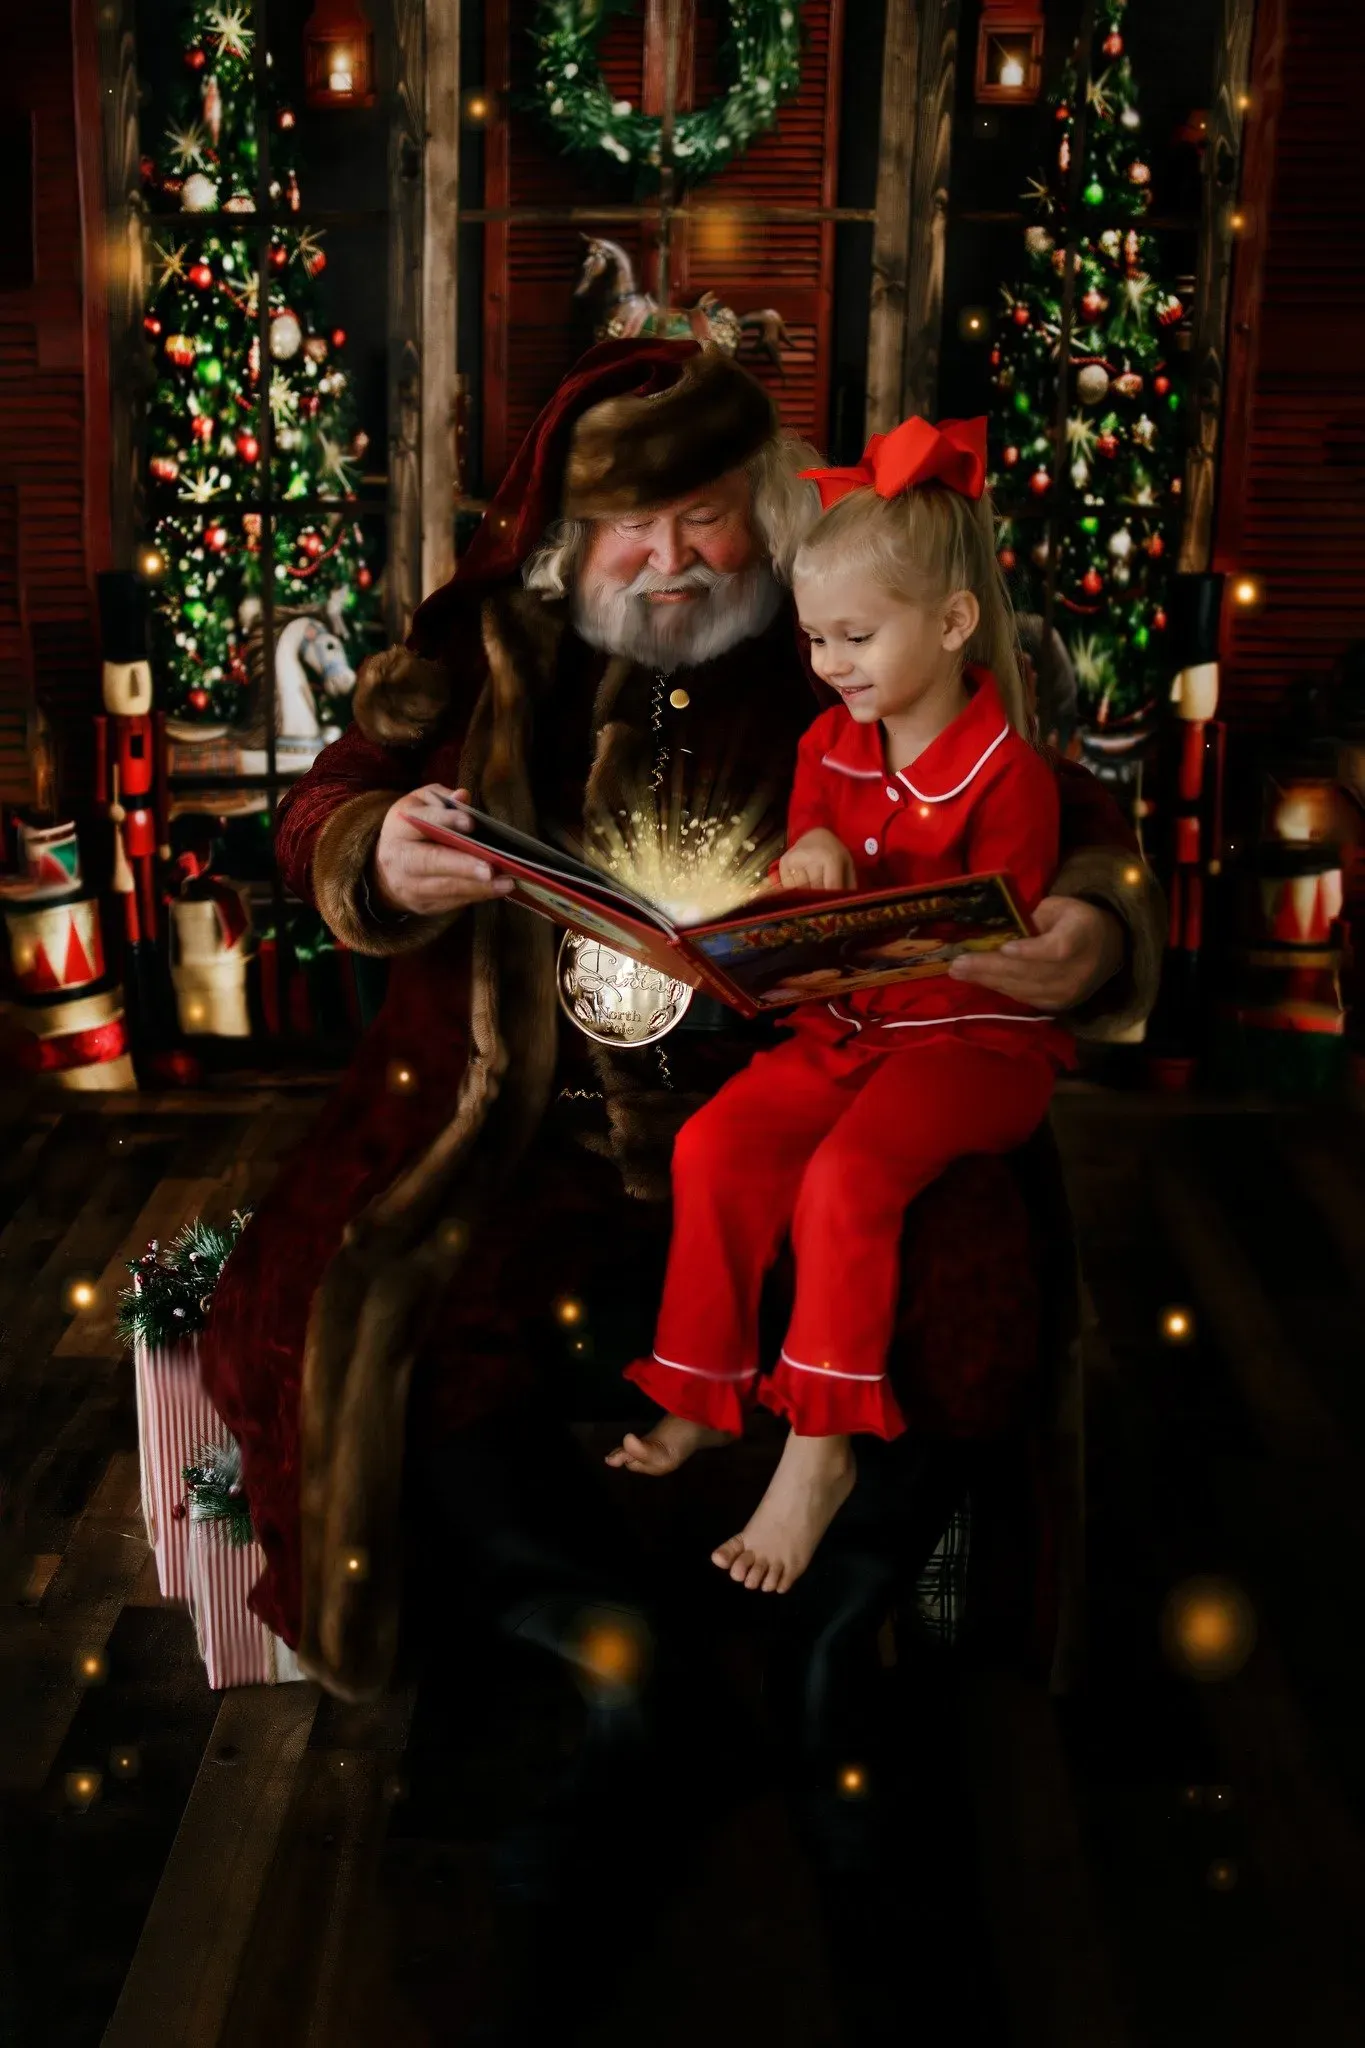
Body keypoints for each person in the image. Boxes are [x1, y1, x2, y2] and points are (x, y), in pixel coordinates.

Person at [199, 338, 1163, 1708]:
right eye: (627, 525)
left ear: (760, 508)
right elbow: (336, 786)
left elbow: (1052, 797)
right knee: (345, 1303)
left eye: (700, 512)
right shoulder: (476, 653)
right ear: (565, 534)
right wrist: (369, 843)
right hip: (517, 1116)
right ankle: (575, 1623)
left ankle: (844, 1632)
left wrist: (1092, 920)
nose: (669, 556)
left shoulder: (833, 632)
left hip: (821, 1073)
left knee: (965, 1276)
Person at [608, 414, 1071, 1595]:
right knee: (715, 1144)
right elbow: (812, 826)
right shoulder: (829, 736)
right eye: (817, 637)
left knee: (846, 1182)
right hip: (848, 1030)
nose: (832, 662)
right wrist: (808, 856)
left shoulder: (1005, 774)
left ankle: (819, 1453)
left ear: (954, 624)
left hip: (969, 1047)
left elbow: (992, 934)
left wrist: (887, 913)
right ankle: (705, 1395)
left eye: (857, 636)